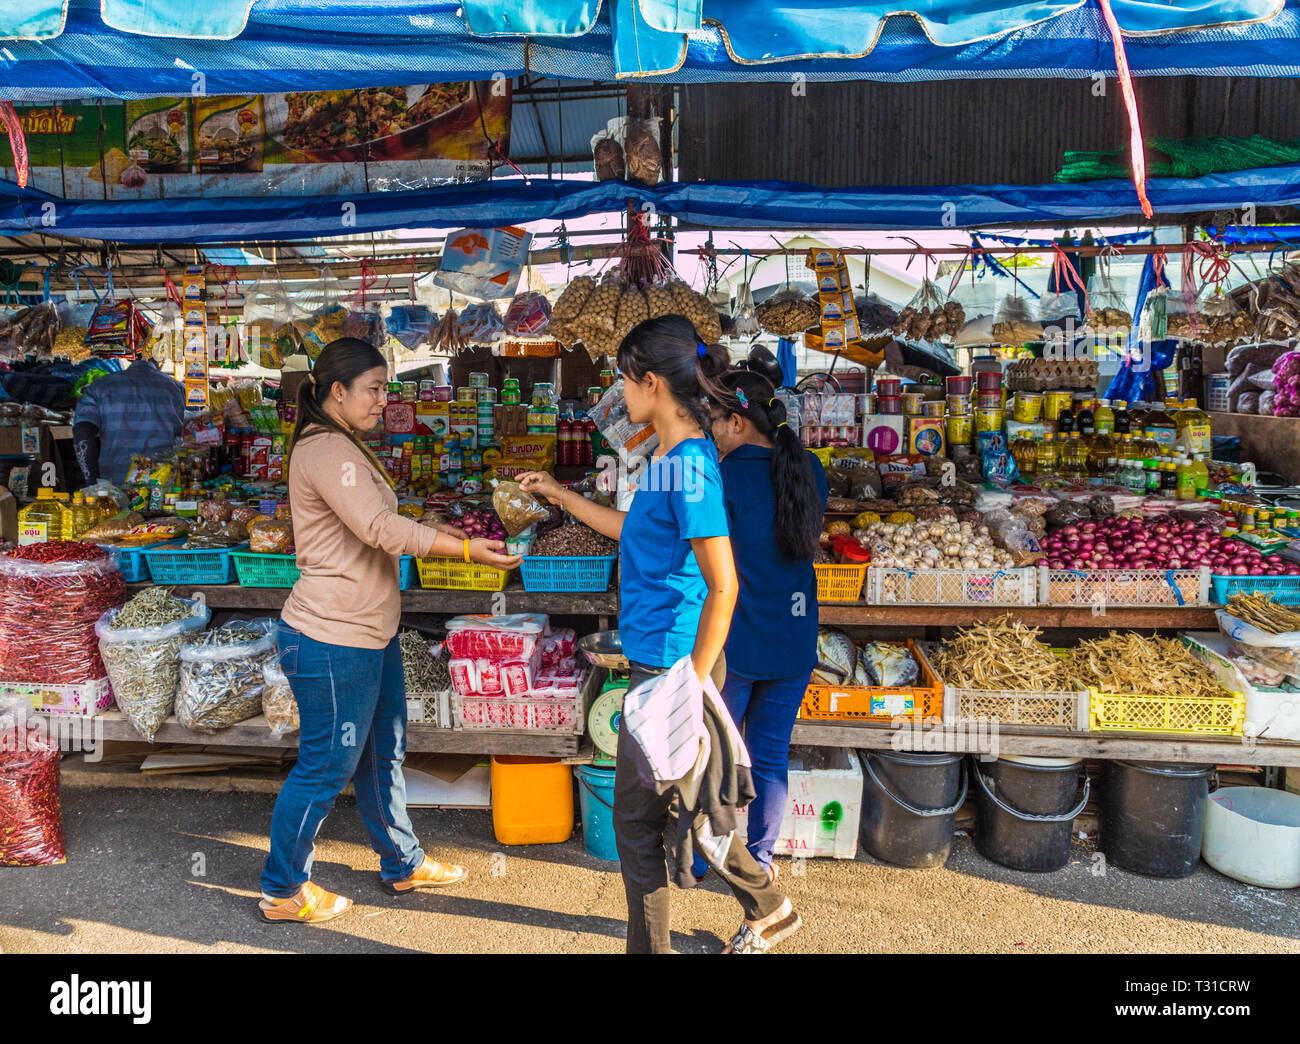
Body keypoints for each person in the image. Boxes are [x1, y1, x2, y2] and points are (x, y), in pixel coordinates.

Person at [520, 315, 801, 954]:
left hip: (675, 670)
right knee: (669, 817)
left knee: (663, 820)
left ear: (650, 382)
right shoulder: (669, 460)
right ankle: (762, 907)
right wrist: (561, 497)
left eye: (623, 381)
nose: (619, 395)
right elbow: (634, 532)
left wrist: (691, 683)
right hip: (662, 665)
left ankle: (747, 912)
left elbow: (724, 584)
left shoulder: (692, 465)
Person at [259, 338, 520, 924]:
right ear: (337, 392)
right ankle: (283, 889)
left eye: (385, 387)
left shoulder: (345, 442)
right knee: (326, 765)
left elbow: (382, 521)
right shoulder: (326, 448)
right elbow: (379, 527)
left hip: (369, 632)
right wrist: (467, 548)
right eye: (374, 389)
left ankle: (401, 861)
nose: (384, 400)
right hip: (331, 635)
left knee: (383, 752)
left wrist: (435, 529)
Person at [699, 370, 827, 882]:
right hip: (794, 637)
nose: (709, 432)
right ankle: (761, 861)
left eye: (712, 421)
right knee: (770, 755)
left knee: (717, 756)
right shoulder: (808, 467)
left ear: (736, 420)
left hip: (736, 642)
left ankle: (703, 856)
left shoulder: (722, 478)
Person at [73, 354, 185, 485]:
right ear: (161, 358)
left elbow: (82, 432)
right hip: (165, 487)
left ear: (128, 357)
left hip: (114, 487)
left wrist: (91, 482)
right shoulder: (178, 390)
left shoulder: (99, 387)